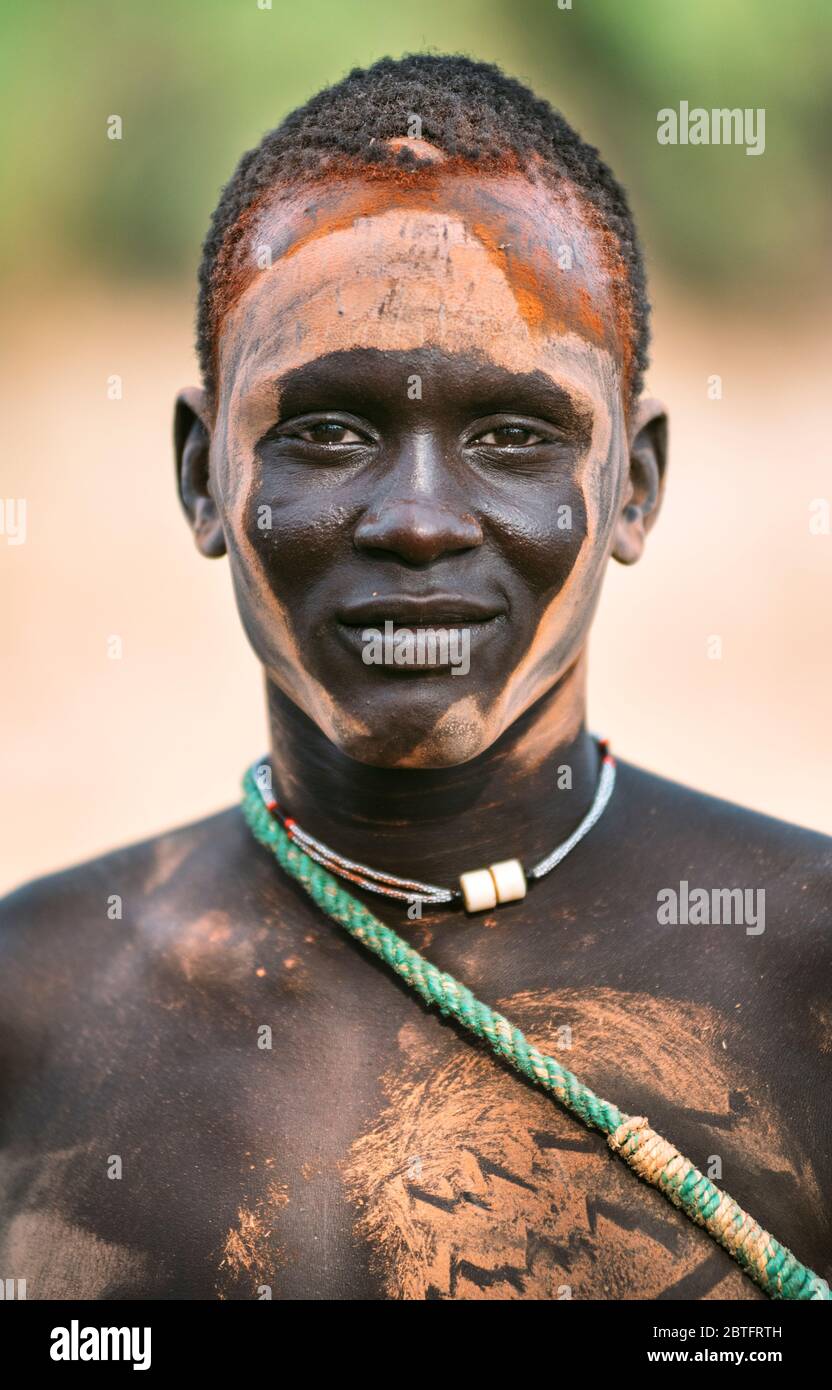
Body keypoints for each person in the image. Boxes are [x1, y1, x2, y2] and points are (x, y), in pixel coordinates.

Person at [1, 55, 829, 1302]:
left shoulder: (805, 978)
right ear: (200, 475)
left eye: (511, 435)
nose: (421, 522)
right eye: (328, 430)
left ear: (633, 487)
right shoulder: (33, 1003)